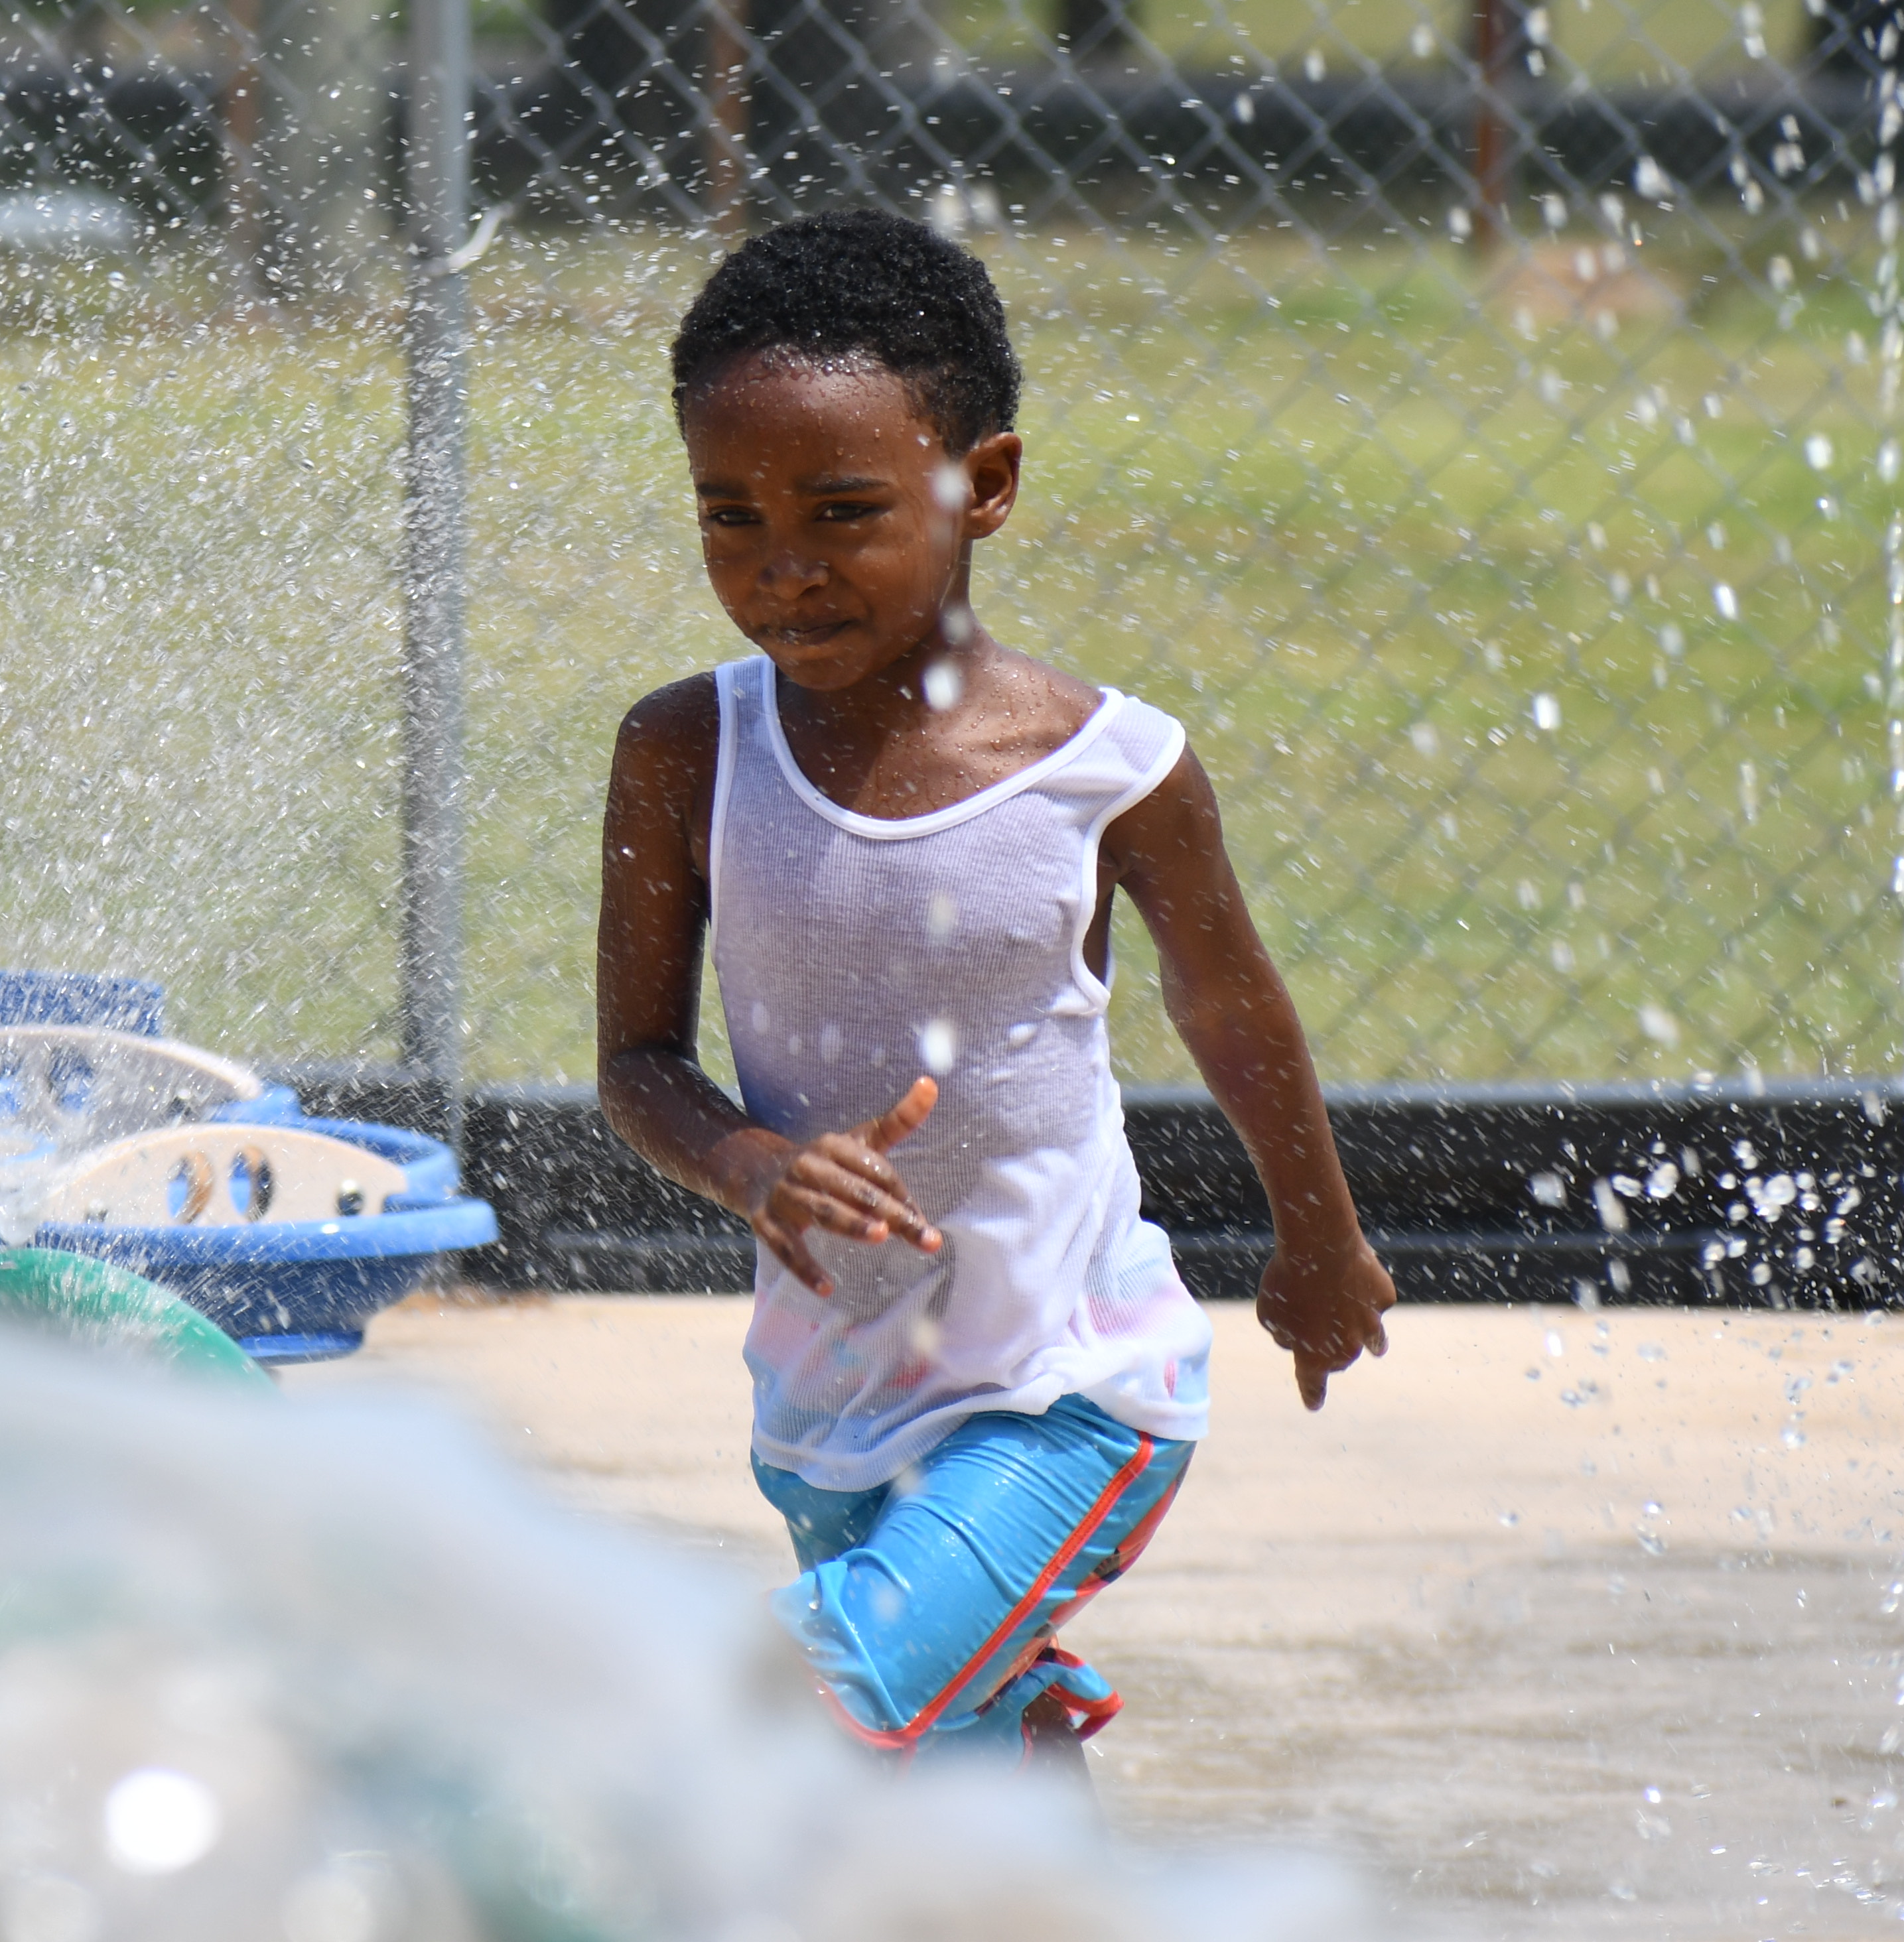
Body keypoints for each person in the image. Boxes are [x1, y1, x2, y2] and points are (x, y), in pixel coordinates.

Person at [594, 208, 1394, 1776]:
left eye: (843, 509)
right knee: (952, 1792)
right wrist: (748, 1161)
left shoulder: (1112, 768)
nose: (784, 567)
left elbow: (1232, 1009)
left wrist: (1323, 1241)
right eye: (729, 515)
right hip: (826, 1395)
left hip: (1068, 1389)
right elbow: (634, 1059)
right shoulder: (686, 748)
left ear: (989, 486)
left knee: (794, 1705)